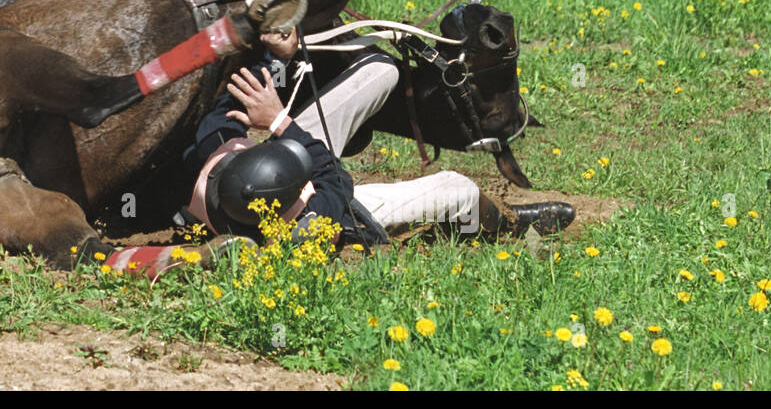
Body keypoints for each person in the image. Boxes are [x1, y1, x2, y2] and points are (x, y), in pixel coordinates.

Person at [180, 28, 575, 246]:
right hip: (351, 207)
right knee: (458, 189)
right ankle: (507, 224)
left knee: (382, 69)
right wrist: (280, 121)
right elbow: (333, 174)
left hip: (274, 170)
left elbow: (223, 115)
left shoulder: (212, 168)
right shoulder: (314, 219)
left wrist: (277, 57)